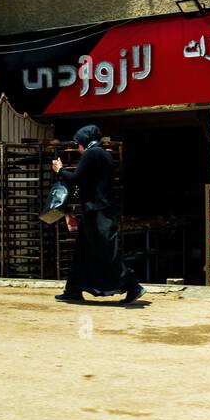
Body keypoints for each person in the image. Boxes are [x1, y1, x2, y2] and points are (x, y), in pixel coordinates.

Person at [50, 125, 144, 304]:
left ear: (84, 141)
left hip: (98, 212)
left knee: (107, 252)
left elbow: (76, 178)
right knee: (82, 252)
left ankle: (133, 286)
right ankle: (73, 289)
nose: (78, 148)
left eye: (78, 144)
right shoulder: (103, 154)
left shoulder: (92, 154)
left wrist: (59, 170)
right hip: (96, 211)